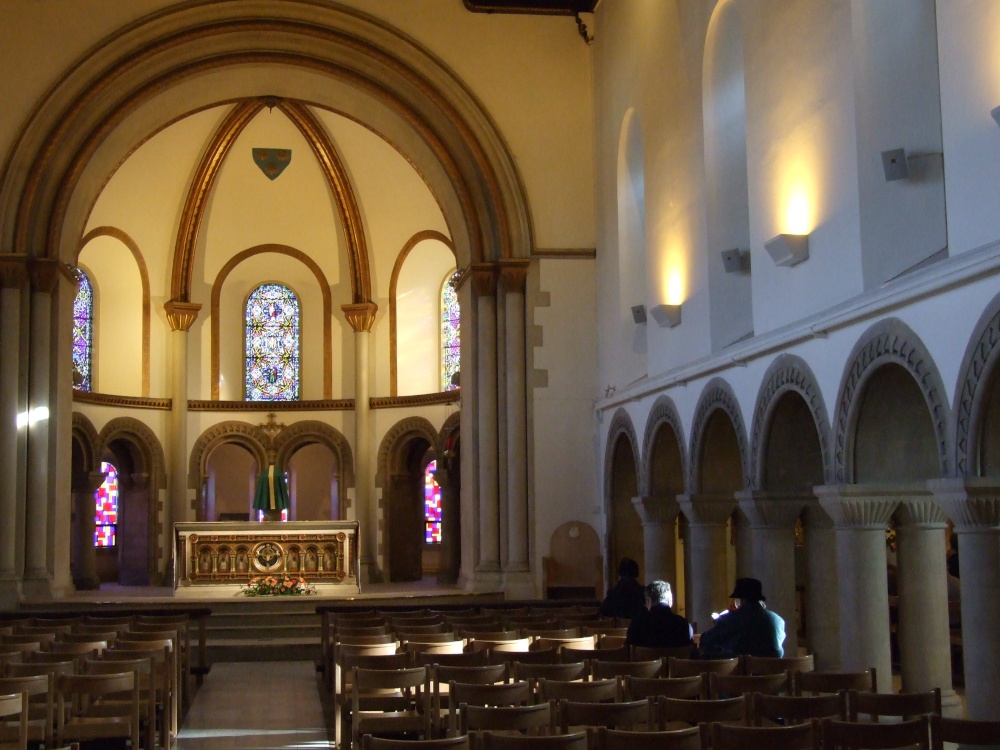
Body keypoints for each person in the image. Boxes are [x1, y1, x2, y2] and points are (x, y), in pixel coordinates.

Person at [697, 577, 785, 658]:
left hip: (743, 669)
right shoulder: (778, 619)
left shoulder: (733, 617)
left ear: (742, 599)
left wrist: (720, 623)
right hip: (774, 669)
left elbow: (706, 639)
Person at [625, 580, 694, 648]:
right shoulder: (684, 625)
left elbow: (627, 650)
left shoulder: (637, 625)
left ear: (648, 600)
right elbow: (690, 651)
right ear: (670, 601)